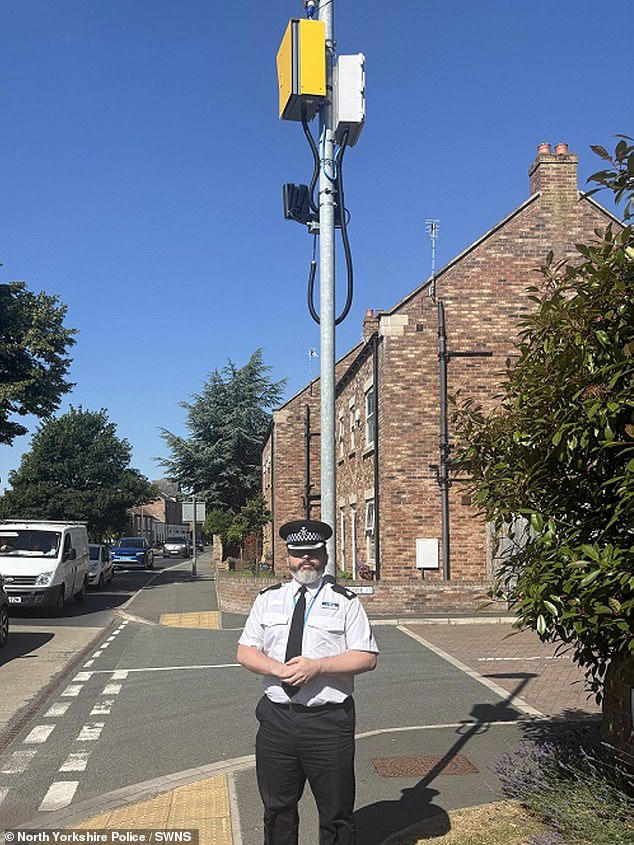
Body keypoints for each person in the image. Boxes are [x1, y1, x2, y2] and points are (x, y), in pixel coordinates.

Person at [237, 519, 378, 845]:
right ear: (288, 557)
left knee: (336, 813)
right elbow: (245, 651)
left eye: (313, 553)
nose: (306, 560)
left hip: (328, 723)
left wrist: (319, 667)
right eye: (299, 553)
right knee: (277, 809)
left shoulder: (345, 601)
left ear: (324, 554)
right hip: (276, 721)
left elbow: (367, 657)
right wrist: (276, 668)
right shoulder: (267, 599)